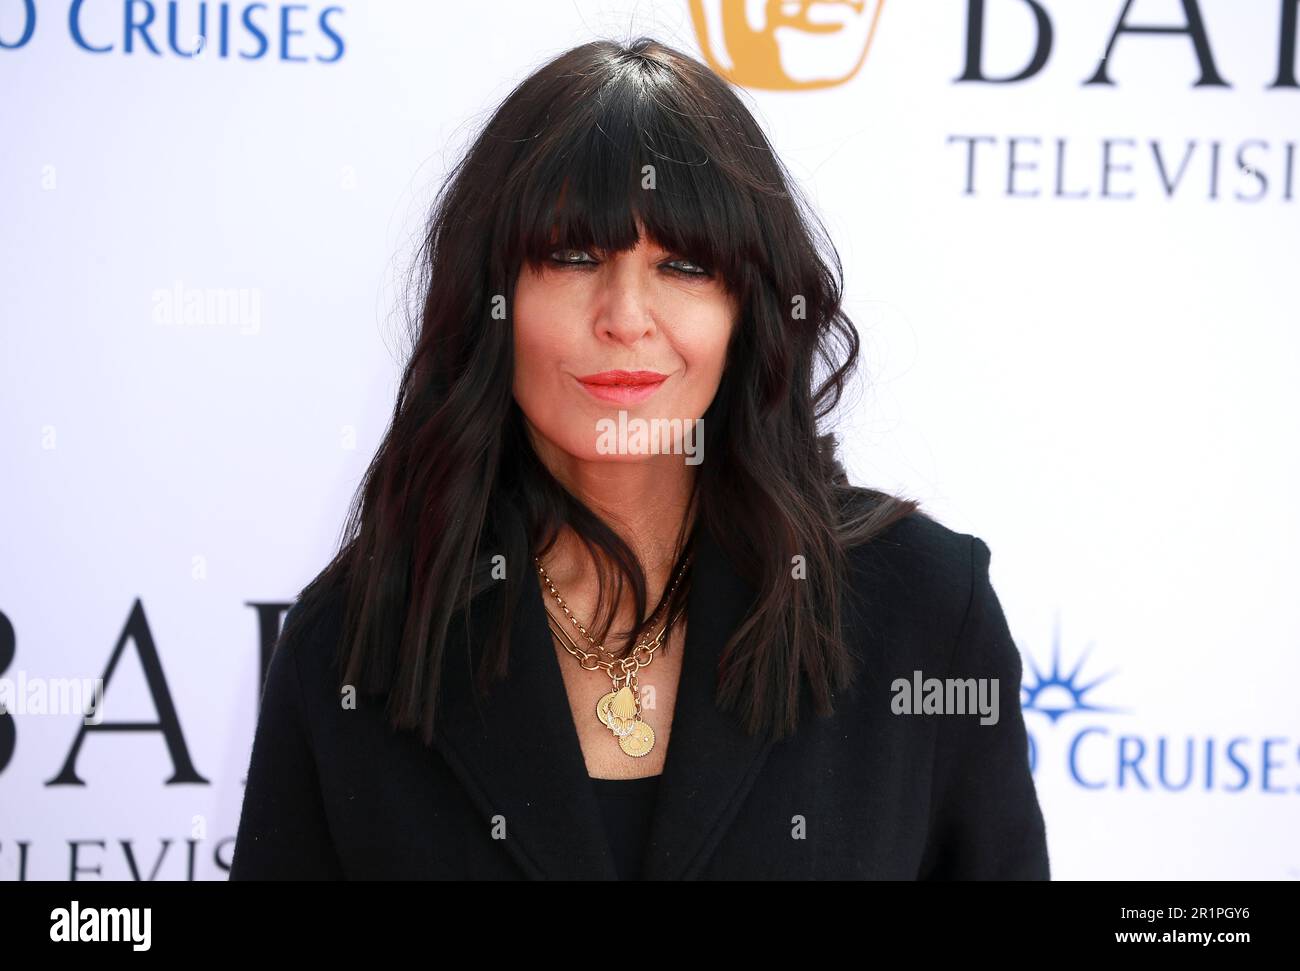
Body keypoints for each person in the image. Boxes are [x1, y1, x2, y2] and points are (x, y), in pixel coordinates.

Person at [229, 36, 1049, 881]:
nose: (625, 316)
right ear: (492, 299)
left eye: (683, 265)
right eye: (573, 256)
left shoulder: (921, 608)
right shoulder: (356, 643)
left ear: (747, 308)